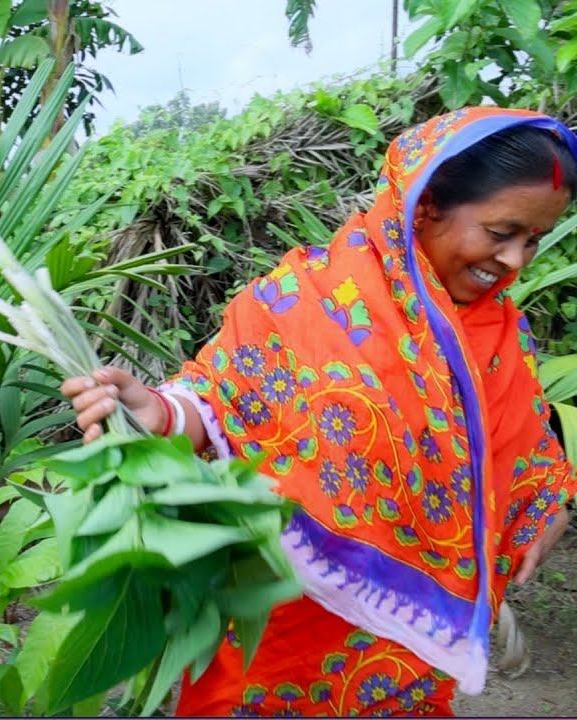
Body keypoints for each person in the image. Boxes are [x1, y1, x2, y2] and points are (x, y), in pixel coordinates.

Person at [62, 108, 577, 716]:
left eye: (533, 240)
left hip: (409, 656)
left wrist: (546, 506)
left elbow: (518, 450)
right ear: (427, 203)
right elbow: (225, 401)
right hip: (286, 630)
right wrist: (162, 413)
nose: (516, 260)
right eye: (500, 232)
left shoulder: (501, 334)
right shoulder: (304, 301)